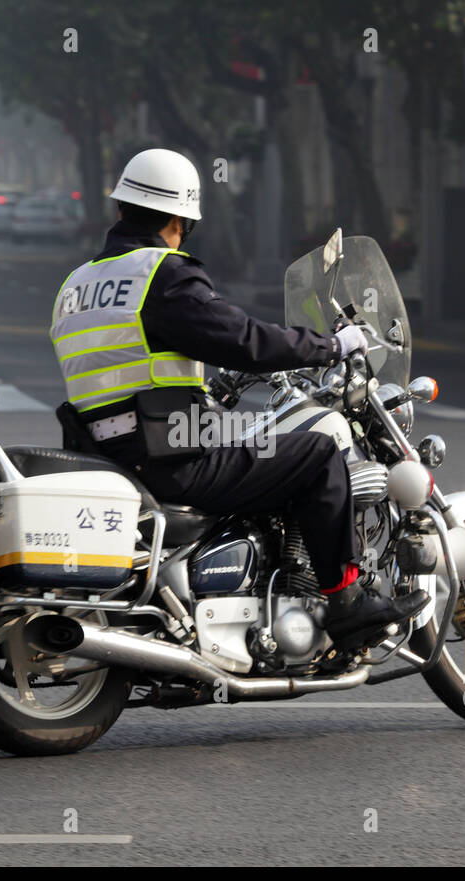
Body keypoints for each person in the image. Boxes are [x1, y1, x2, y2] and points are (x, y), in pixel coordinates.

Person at [49, 148, 428, 659]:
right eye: (185, 226)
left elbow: (129, 365)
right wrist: (332, 345)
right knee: (315, 454)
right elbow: (242, 338)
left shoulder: (76, 286)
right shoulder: (160, 273)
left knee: (252, 444)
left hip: (106, 459)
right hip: (169, 458)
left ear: (121, 210)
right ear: (179, 220)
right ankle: (347, 600)